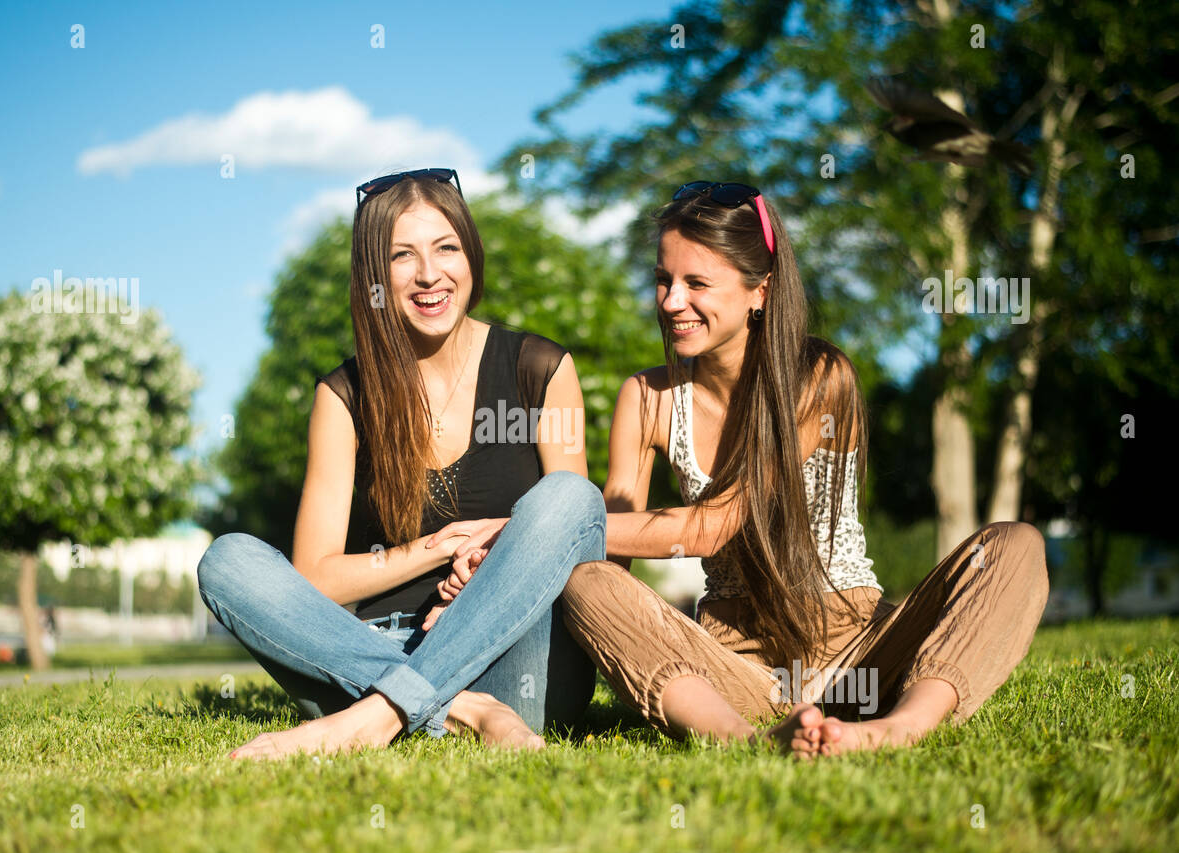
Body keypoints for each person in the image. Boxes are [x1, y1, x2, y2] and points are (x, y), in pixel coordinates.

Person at [436, 181, 1049, 757]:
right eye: (662, 280)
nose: (672, 302)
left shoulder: (818, 379)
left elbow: (711, 527)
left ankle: (896, 729)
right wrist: (507, 577)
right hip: (731, 668)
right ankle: (748, 740)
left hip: (861, 655)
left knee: (1013, 545)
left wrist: (522, 531)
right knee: (585, 582)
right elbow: (607, 553)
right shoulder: (646, 398)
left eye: (697, 283)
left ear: (760, 291)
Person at [196, 168, 604, 760]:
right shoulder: (344, 396)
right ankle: (459, 709)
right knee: (228, 560)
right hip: (369, 653)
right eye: (402, 256)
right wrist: (439, 547)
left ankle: (378, 715)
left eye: (446, 248)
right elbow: (317, 578)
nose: (429, 274)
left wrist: (490, 560)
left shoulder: (538, 368)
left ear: (471, 256)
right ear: (373, 277)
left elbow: (573, 532)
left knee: (571, 495)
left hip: (518, 663)